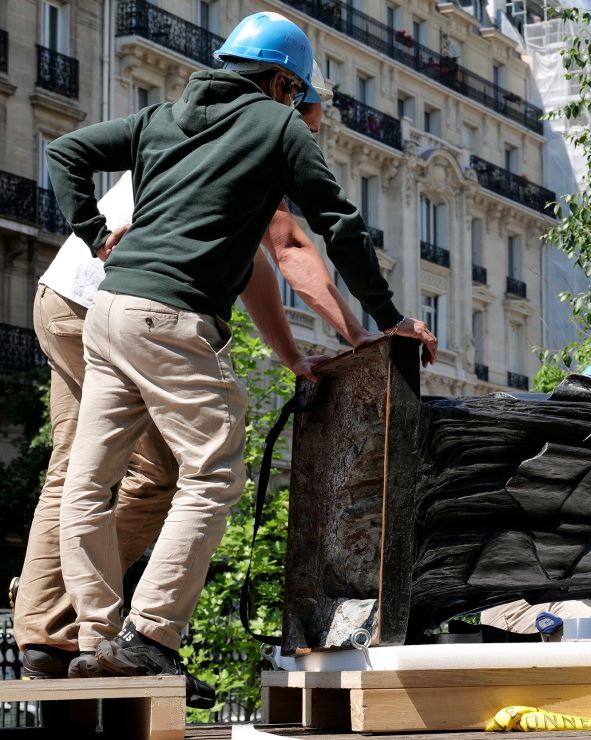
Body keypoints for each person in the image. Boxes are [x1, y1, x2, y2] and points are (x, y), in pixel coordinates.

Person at [44, 11, 435, 681]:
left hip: (107, 312)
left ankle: (95, 638)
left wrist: (92, 230)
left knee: (89, 481)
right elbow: (337, 224)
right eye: (296, 93)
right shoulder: (277, 126)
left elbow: (66, 152)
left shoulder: (160, 119)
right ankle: (152, 635)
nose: (296, 106)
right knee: (214, 468)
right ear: (282, 82)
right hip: (171, 318)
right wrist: (390, 315)